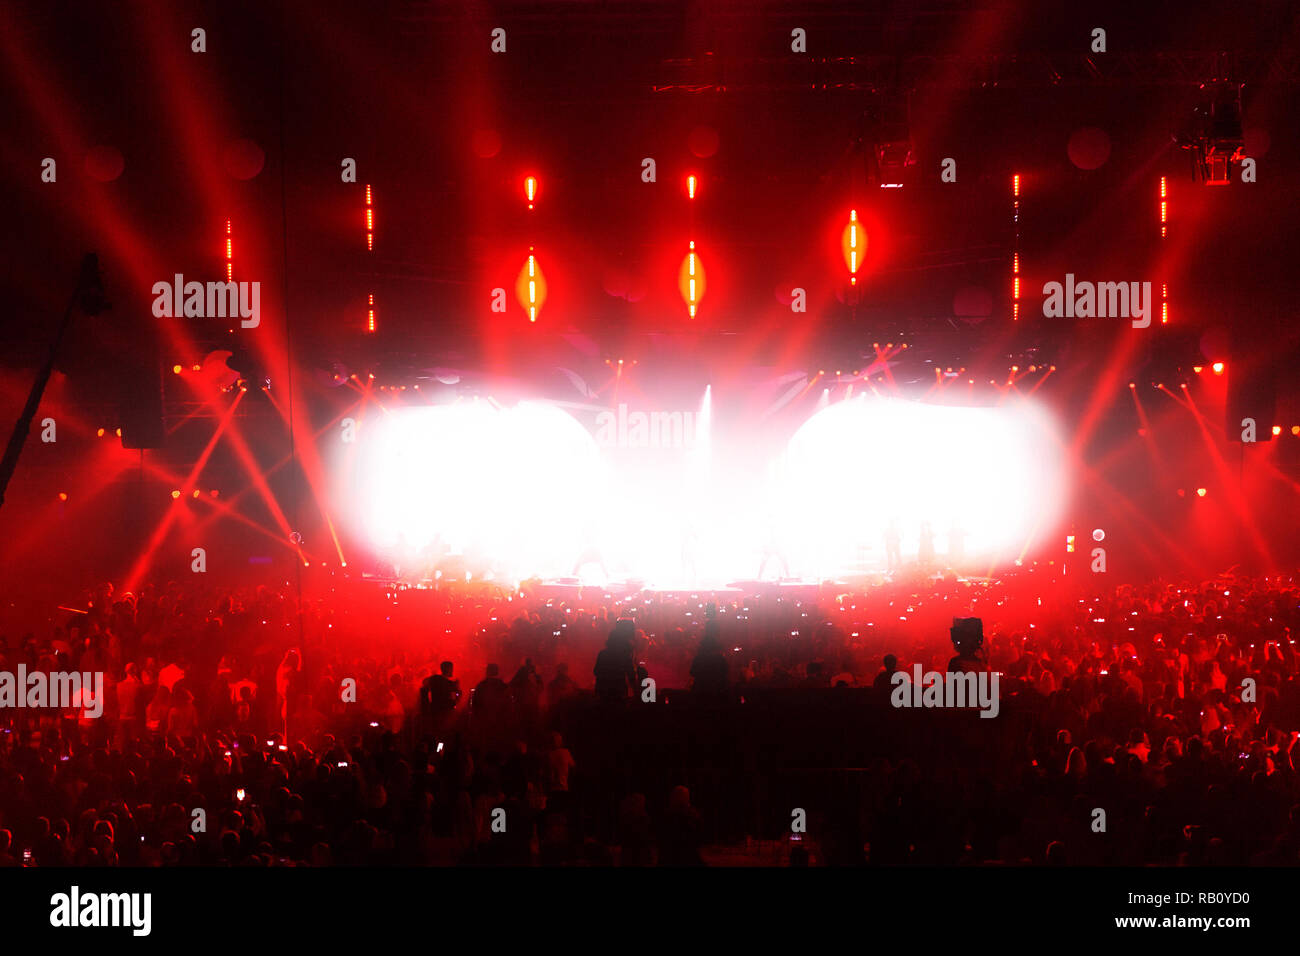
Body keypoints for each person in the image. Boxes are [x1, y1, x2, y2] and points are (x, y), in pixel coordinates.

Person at [593, 621, 637, 703]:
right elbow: (631, 675)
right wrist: (637, 691)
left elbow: (596, 671)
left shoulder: (603, 653)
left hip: (603, 692)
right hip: (618, 692)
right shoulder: (624, 655)